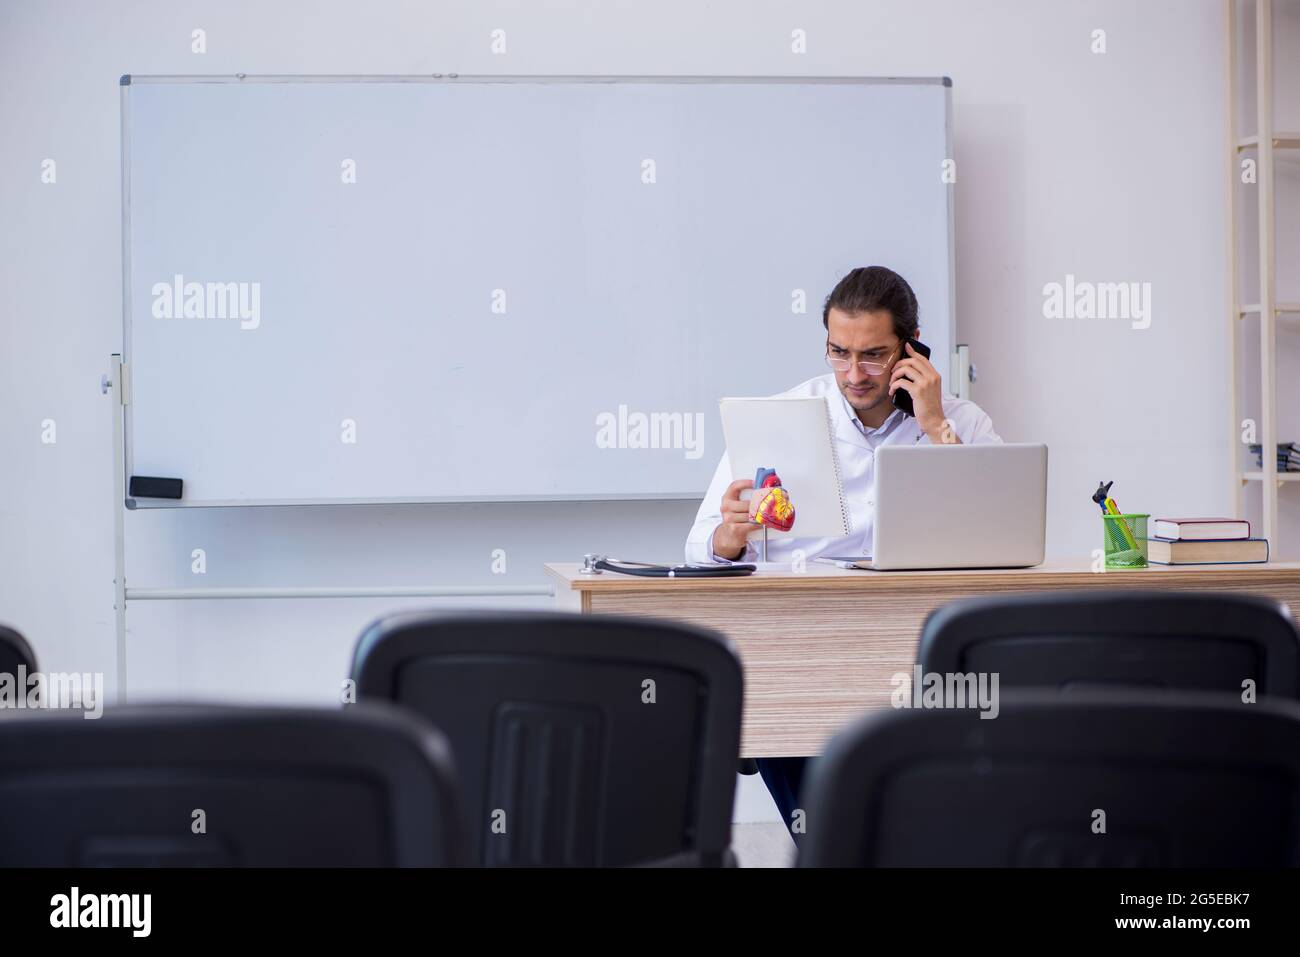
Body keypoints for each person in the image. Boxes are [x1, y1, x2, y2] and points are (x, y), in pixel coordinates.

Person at [683, 265, 1003, 841]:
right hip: (800, 647)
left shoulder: (961, 423)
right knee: (837, 833)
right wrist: (728, 535)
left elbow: (1000, 538)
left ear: (910, 349)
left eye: (874, 356)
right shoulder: (783, 414)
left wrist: (935, 428)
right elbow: (700, 548)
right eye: (839, 353)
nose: (853, 374)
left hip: (912, 644)